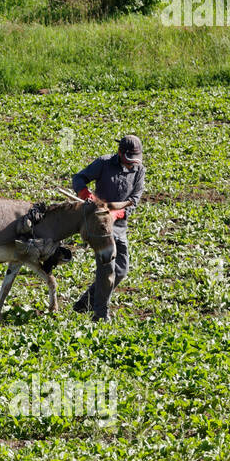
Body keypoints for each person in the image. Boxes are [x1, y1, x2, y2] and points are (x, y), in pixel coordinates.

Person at [71, 134, 145, 321]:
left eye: (134, 161)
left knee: (121, 270)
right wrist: (84, 192)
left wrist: (116, 213)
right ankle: (100, 314)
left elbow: (134, 200)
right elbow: (79, 178)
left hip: (119, 226)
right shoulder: (103, 163)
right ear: (120, 153)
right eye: (129, 160)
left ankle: (85, 303)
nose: (132, 164)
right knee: (107, 271)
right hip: (100, 227)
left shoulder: (139, 171)